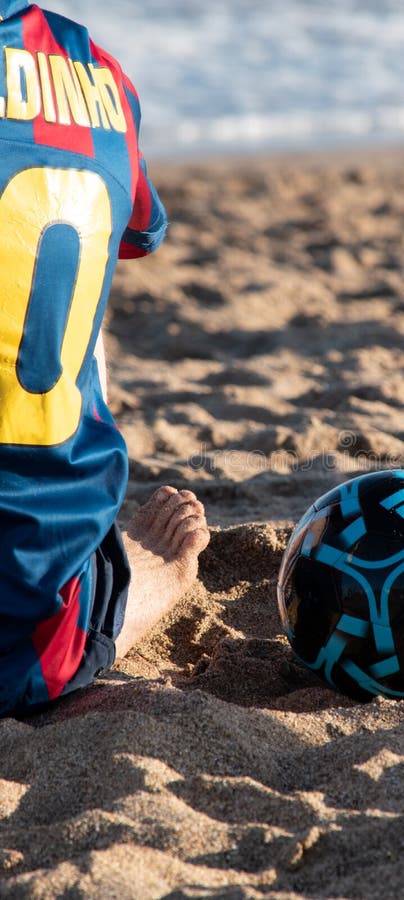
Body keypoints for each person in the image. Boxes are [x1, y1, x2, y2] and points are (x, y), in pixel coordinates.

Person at [0, 0, 210, 717]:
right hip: (30, 610)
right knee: (64, 270)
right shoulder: (101, 76)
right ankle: (113, 569)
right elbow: (141, 225)